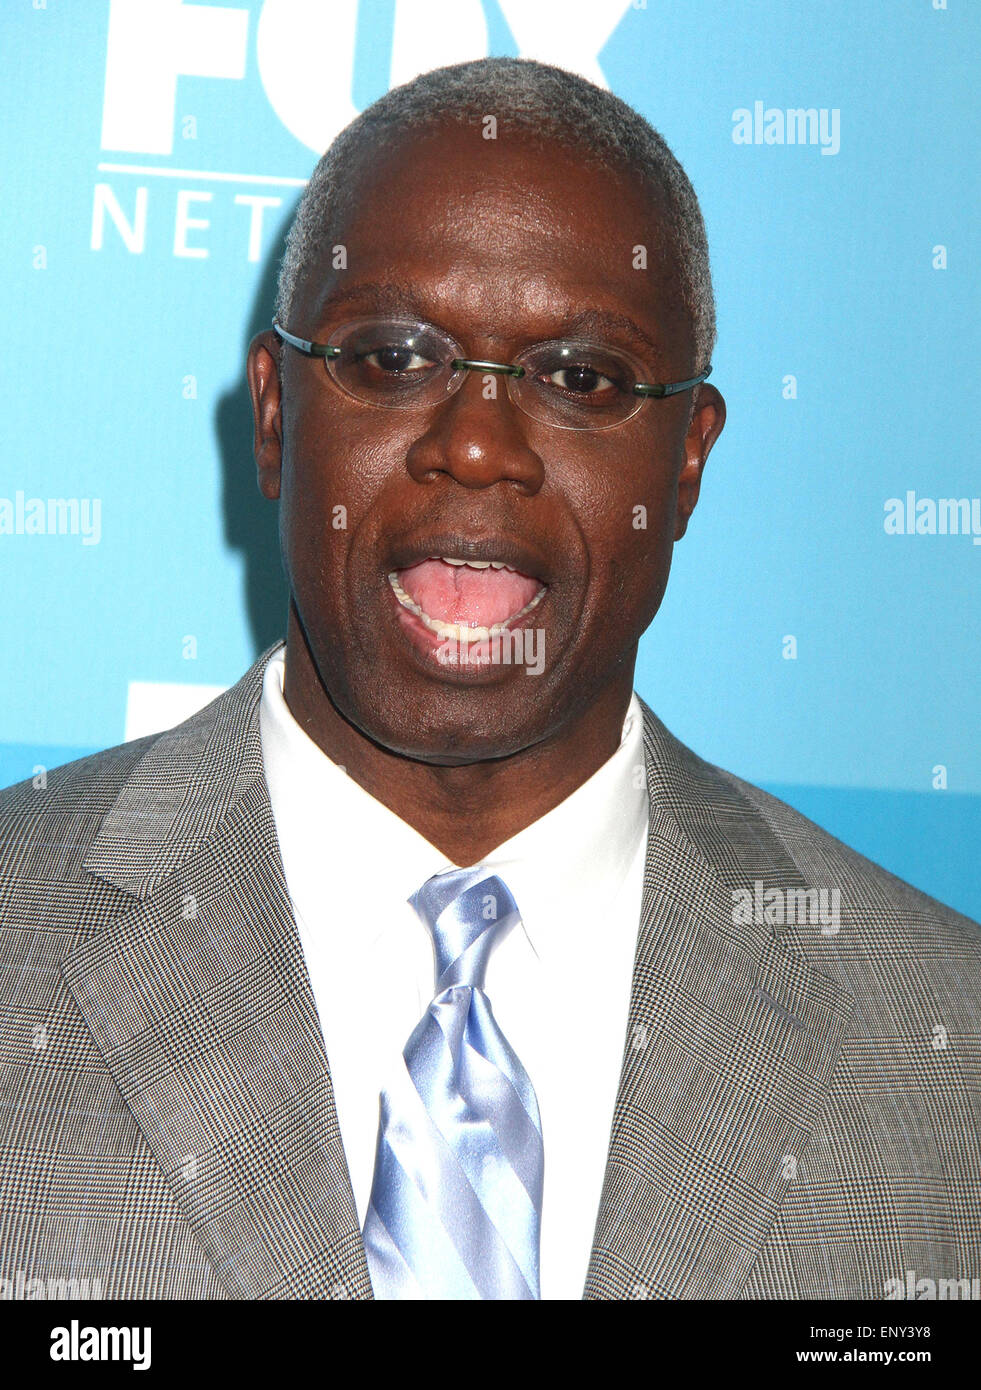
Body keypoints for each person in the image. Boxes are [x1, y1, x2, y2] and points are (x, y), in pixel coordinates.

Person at [0, 57, 978, 1303]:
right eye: (393, 355)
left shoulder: (947, 1052)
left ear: (687, 461)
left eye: (581, 377)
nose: (474, 440)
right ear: (273, 417)